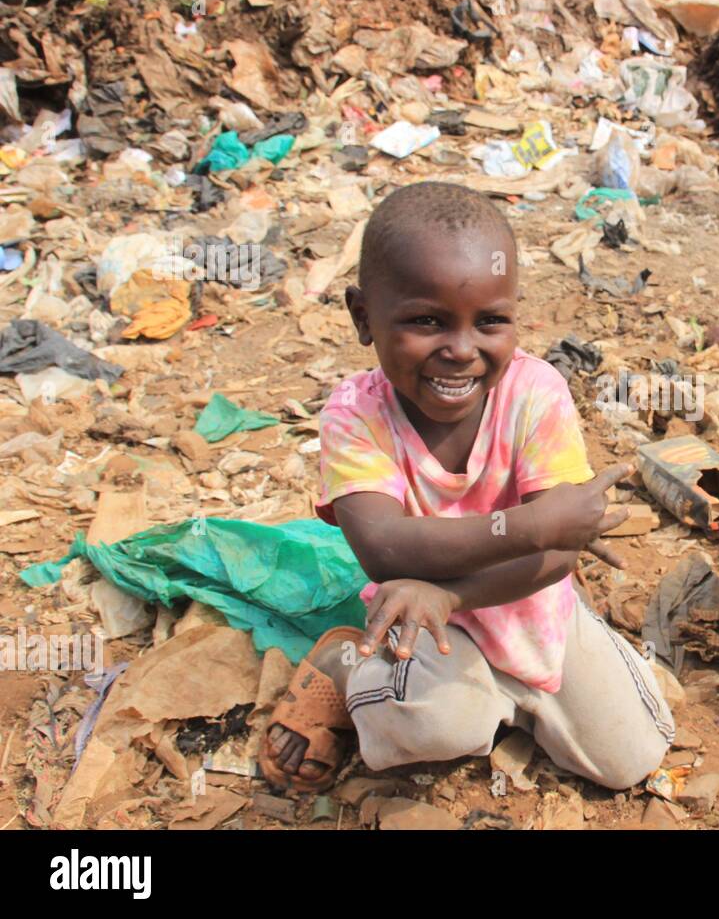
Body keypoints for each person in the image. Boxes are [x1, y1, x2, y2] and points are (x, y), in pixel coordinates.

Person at [259, 182, 674, 792]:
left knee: (630, 760)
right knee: (443, 728)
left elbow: (558, 556)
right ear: (362, 317)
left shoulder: (536, 393)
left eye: (490, 322)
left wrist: (456, 592)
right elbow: (384, 547)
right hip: (425, 623)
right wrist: (532, 527)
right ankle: (348, 669)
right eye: (427, 321)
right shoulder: (356, 413)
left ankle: (505, 695)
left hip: (525, 601)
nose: (461, 350)